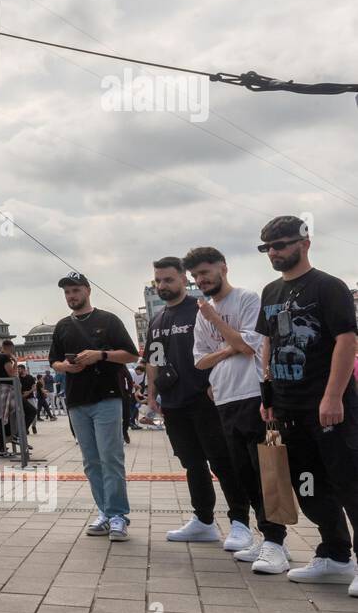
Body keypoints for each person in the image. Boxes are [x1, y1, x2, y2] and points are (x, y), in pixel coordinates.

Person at [253, 217, 358, 592]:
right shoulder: (270, 291)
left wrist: (332, 396)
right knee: (308, 484)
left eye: (281, 244)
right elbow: (267, 344)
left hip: (327, 404)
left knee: (348, 480)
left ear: (304, 242)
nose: (275, 253)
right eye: (267, 248)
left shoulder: (329, 287)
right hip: (287, 407)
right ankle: (334, 554)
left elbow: (347, 340)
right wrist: (268, 397)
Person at [186, 246, 290, 574]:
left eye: (205, 272)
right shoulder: (201, 315)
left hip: (256, 396)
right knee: (243, 473)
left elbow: (249, 346)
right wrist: (227, 348)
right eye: (195, 276)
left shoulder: (246, 299)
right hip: (225, 400)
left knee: (269, 472)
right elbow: (199, 361)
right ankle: (266, 536)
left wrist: (216, 322)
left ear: (223, 268)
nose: (200, 280)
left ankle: (277, 541)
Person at [146, 257, 251, 549]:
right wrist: (152, 394)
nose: (162, 286)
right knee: (192, 464)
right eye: (158, 281)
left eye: (168, 279)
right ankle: (203, 520)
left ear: (184, 279)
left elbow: (222, 347)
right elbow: (154, 359)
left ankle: (240, 522)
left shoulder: (200, 310)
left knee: (223, 461)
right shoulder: (156, 321)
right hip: (174, 404)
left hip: (205, 400)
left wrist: (215, 383)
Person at [49, 272, 140, 541]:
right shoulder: (62, 326)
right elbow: (54, 359)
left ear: (87, 290)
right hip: (77, 400)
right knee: (91, 461)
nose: (71, 296)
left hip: (107, 397)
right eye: (67, 292)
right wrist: (64, 367)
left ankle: (117, 515)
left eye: (75, 290)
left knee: (110, 458)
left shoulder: (108, 320)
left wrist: (99, 355)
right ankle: (104, 511)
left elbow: (132, 354)